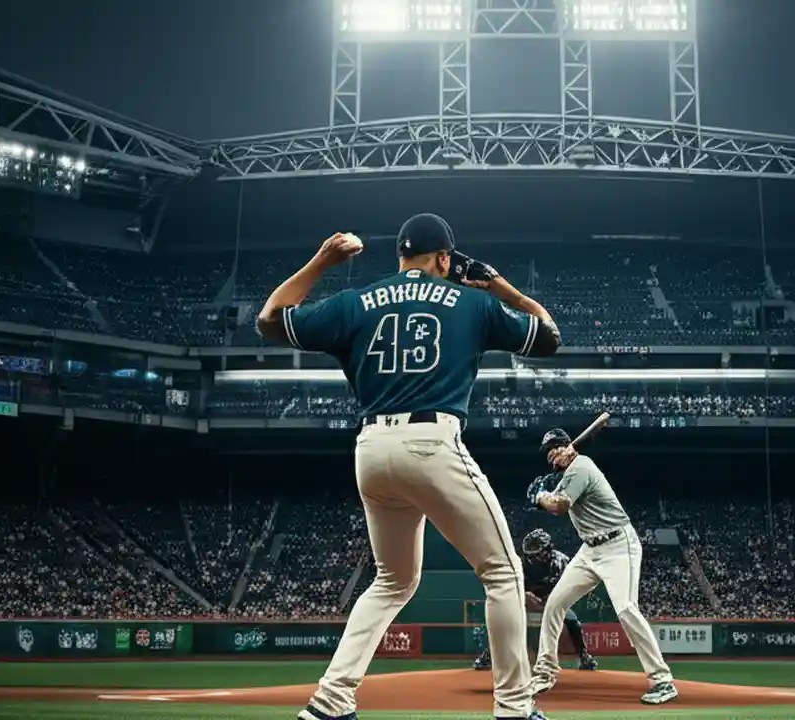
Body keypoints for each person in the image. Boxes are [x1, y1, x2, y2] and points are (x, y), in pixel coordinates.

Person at [255, 215, 559, 720]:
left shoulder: (357, 302)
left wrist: (324, 260)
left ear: (400, 257)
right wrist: (500, 285)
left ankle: (330, 702)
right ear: (444, 258)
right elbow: (548, 337)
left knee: (392, 579)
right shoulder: (474, 301)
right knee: (503, 573)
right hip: (432, 442)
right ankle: (514, 708)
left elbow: (270, 319)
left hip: (372, 451)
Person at [527, 428, 678, 705]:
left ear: (568, 446)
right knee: (554, 604)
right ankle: (545, 672)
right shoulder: (568, 475)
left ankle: (662, 680)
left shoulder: (582, 467)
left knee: (626, 610)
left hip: (619, 546)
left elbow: (558, 506)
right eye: (550, 452)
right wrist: (546, 492)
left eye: (557, 447)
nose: (554, 453)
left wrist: (540, 496)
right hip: (589, 550)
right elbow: (555, 498)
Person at [473, 529, 598, 672]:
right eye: (531, 553)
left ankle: (584, 656)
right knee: (506, 619)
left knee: (573, 622)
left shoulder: (561, 562)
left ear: (548, 550)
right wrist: (524, 595)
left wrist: (548, 601)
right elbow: (511, 586)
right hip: (526, 600)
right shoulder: (521, 562)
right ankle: (489, 655)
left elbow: (566, 589)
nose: (533, 558)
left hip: (554, 599)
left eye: (537, 553)